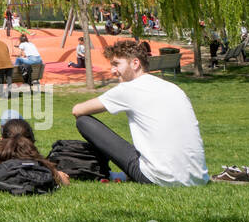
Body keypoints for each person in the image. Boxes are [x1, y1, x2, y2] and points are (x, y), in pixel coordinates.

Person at [71, 39, 209, 186]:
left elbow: (77, 110)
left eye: (116, 64)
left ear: (135, 64)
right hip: (198, 177)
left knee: (83, 121)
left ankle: (102, 169)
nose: (112, 70)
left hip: (161, 178)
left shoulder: (129, 89)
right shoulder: (173, 88)